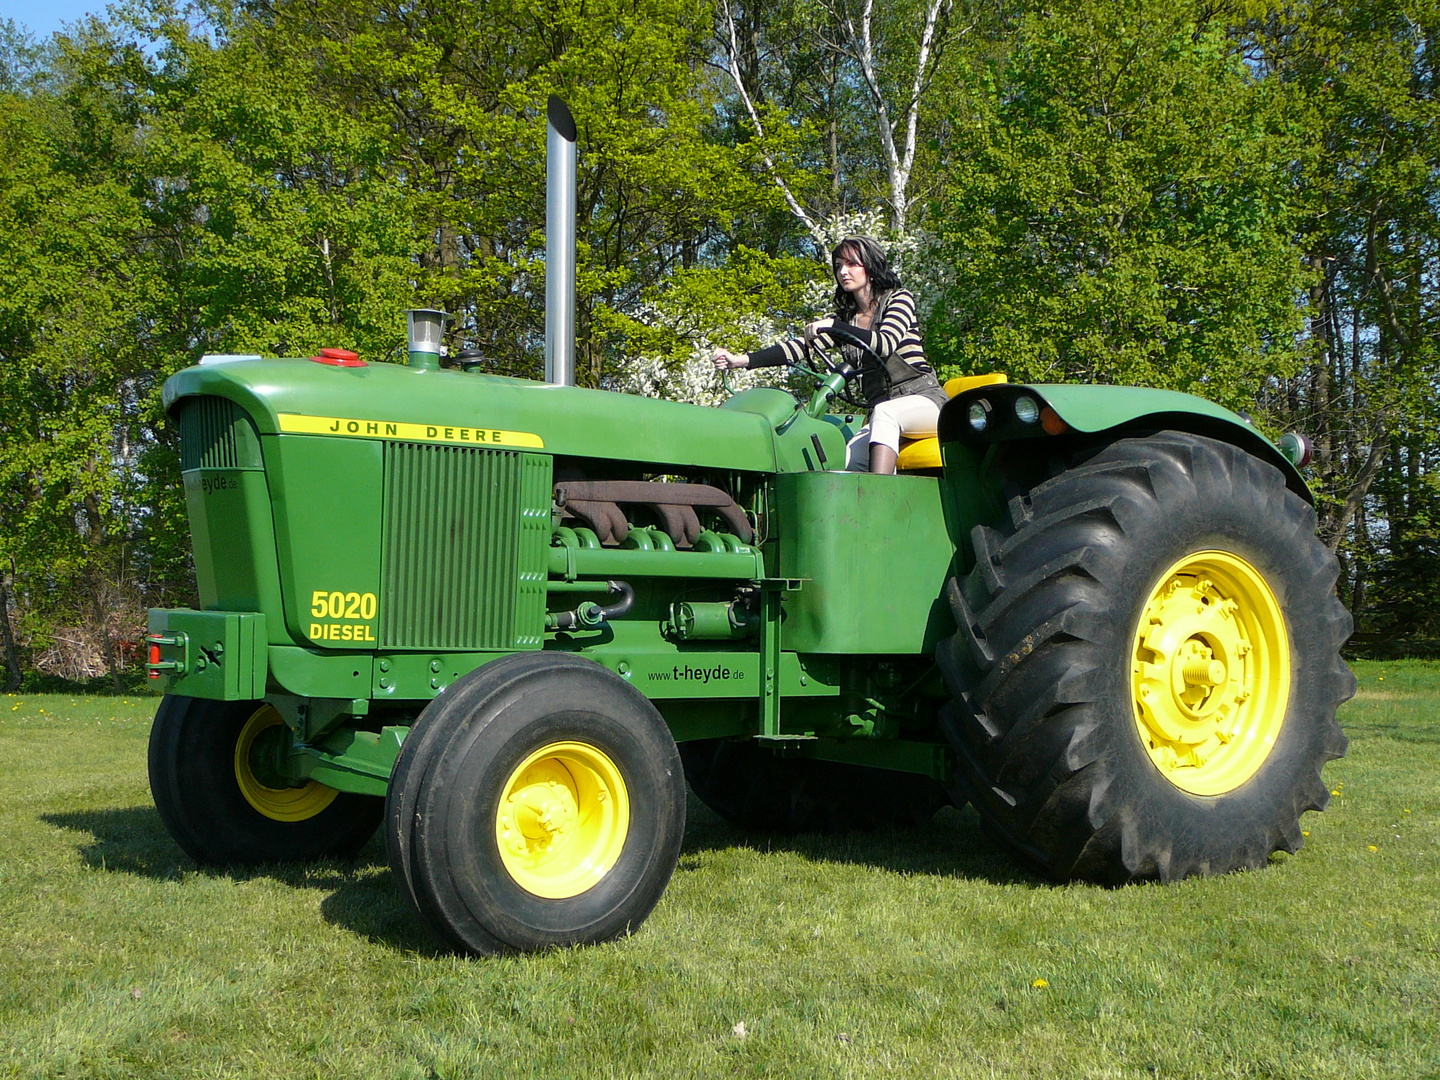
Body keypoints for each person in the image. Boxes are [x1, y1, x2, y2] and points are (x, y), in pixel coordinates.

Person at [713, 236, 947, 474]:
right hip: (880, 410)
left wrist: (834, 326)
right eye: (838, 266)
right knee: (847, 460)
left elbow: (885, 343)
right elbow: (800, 348)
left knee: (885, 414)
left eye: (852, 264)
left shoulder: (898, 299)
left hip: (925, 400)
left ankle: (882, 492)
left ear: (871, 266)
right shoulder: (848, 320)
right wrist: (742, 360)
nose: (843, 272)